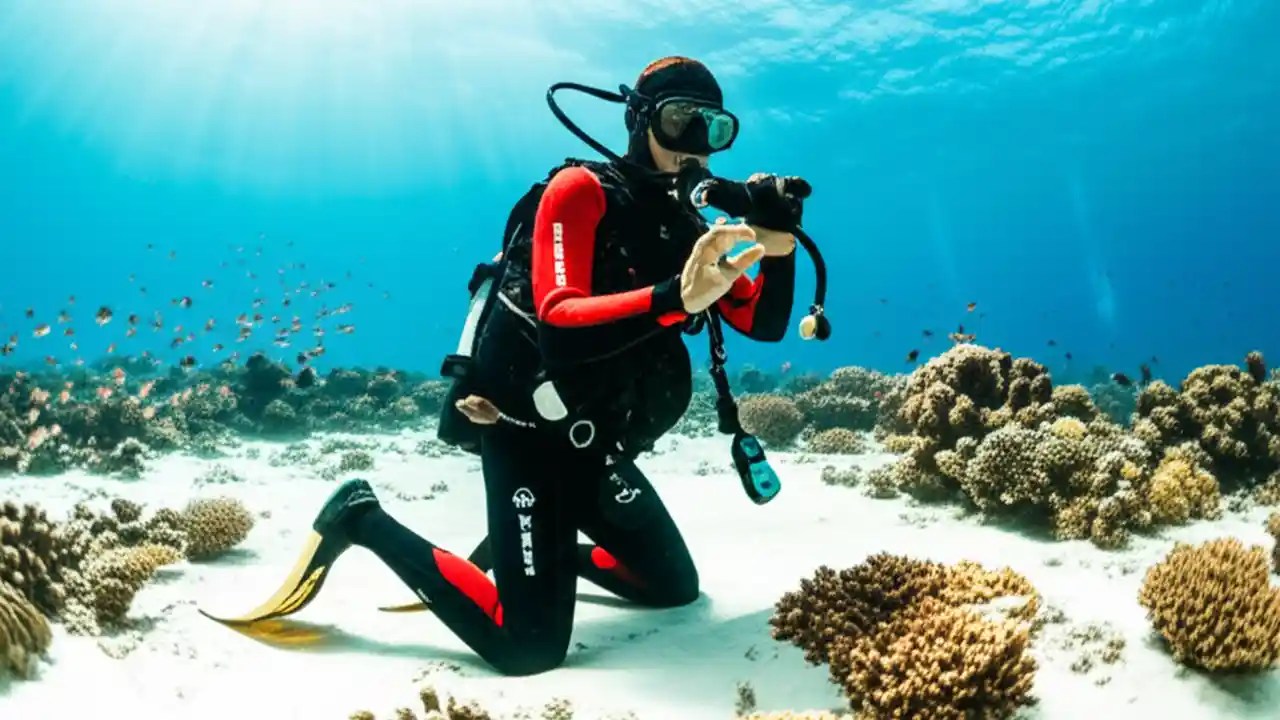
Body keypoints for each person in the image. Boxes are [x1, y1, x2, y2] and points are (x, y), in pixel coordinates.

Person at [208, 56, 805, 677]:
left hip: (596, 444)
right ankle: (361, 517)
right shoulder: (580, 192)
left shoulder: (691, 230)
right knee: (529, 648)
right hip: (528, 434)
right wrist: (675, 298)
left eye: (717, 130)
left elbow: (761, 325)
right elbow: (560, 324)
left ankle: (534, 551)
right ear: (639, 122)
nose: (697, 148)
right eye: (680, 122)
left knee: (674, 586)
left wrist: (779, 246)